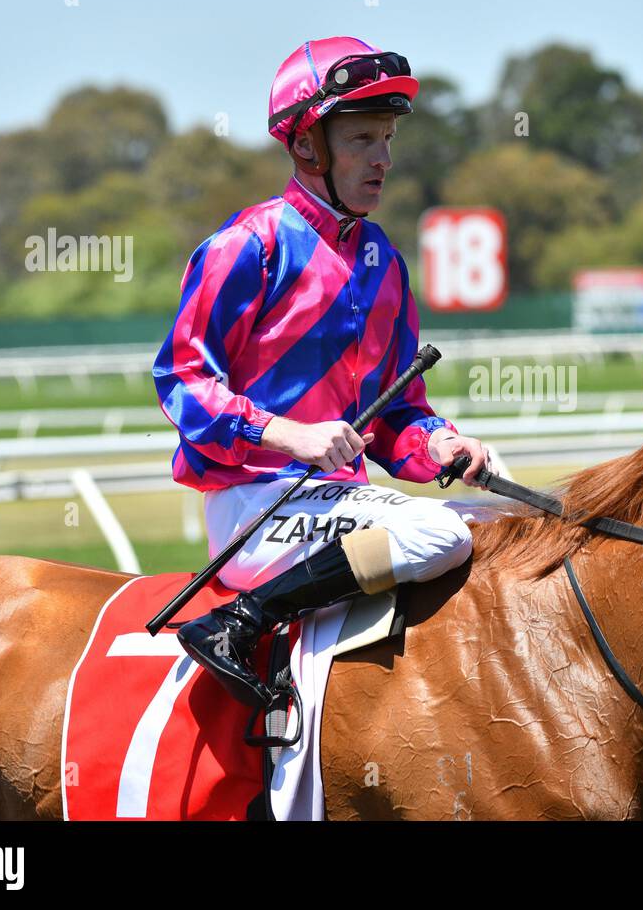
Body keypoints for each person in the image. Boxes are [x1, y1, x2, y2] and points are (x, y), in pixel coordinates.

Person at [153, 37, 492, 709]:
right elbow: (182, 382)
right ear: (307, 145)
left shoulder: (384, 263)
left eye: (388, 138)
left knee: (502, 522)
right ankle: (235, 623)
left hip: (336, 504)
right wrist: (289, 435)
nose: (383, 159)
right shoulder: (250, 246)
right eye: (363, 138)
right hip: (256, 505)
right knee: (441, 534)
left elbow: (396, 417)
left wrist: (441, 445)